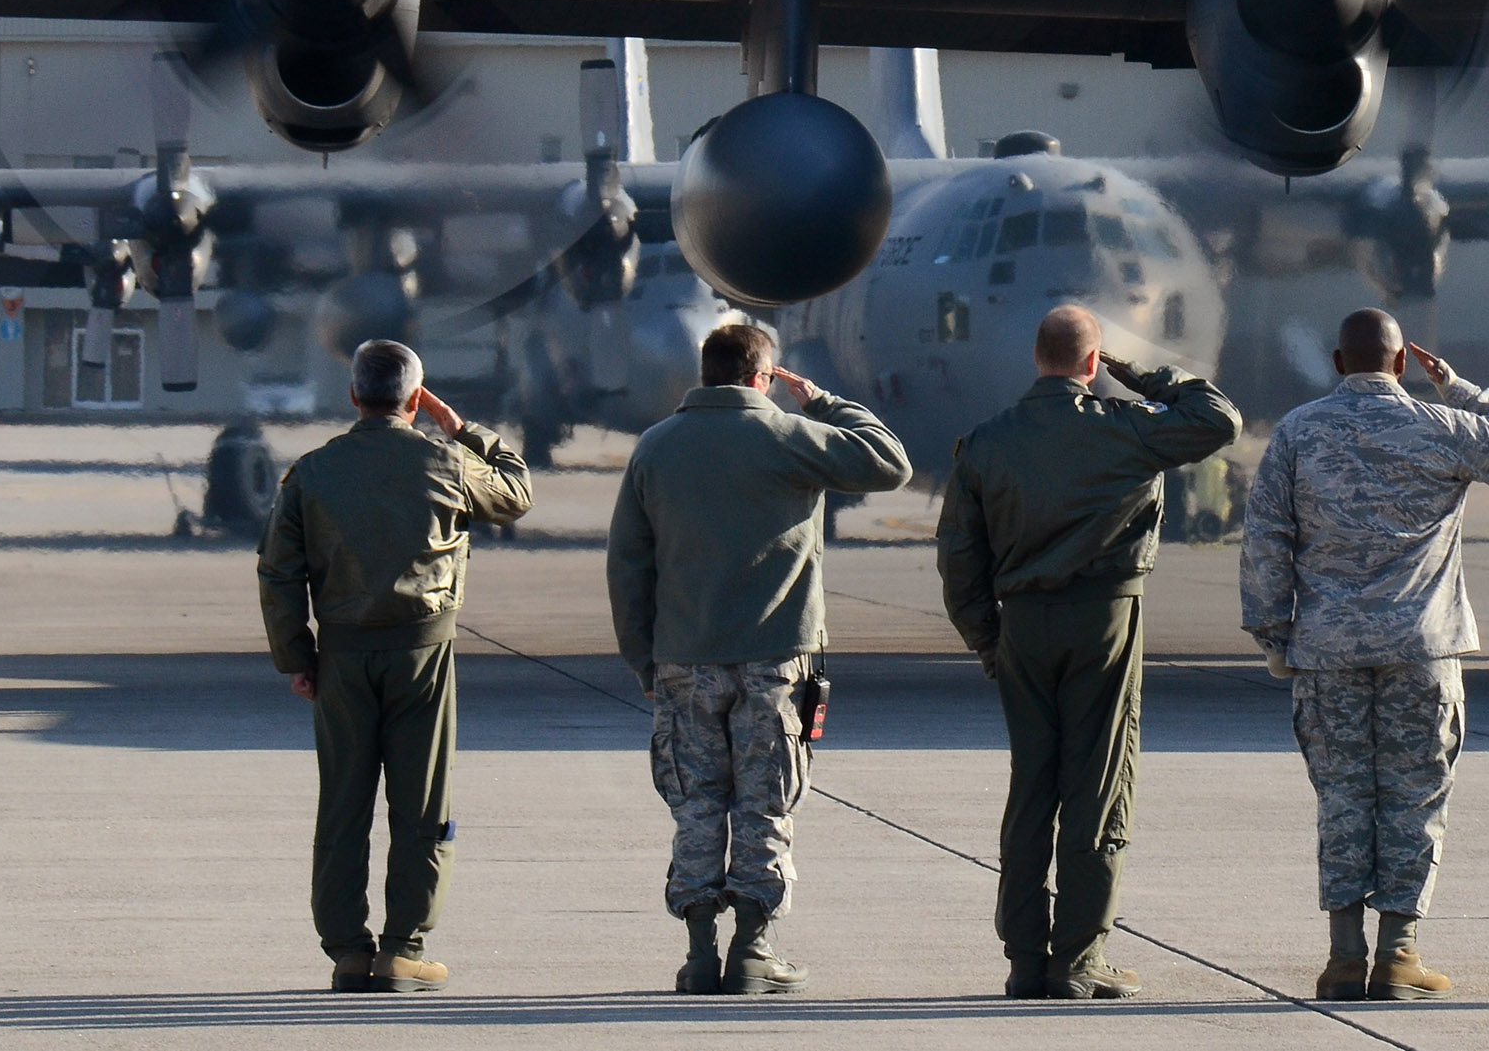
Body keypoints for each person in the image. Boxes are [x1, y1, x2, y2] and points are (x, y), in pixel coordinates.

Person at [1241, 308, 1489, 1002]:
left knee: (1343, 798)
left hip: (1326, 650)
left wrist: (1273, 634)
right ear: (1401, 362)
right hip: (1421, 647)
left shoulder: (1298, 431)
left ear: (1337, 359)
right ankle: (1399, 952)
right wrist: (1461, 388)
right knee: (1415, 797)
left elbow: (1266, 537)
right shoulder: (1440, 427)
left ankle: (1344, 955)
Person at [937, 305, 1240, 1001]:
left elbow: (958, 555)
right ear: (1091, 360)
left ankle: (1023, 954)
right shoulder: (1125, 429)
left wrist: (988, 639)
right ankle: (1077, 955)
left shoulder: (988, 441)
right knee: (1098, 786)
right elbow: (1217, 417)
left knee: (1031, 789)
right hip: (1104, 616)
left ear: (1037, 356)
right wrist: (1143, 374)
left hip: (1022, 622)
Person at [607, 320, 913, 996]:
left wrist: (643, 659)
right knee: (765, 801)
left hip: (685, 658)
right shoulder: (789, 436)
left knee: (696, 803)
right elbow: (889, 459)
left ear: (704, 370)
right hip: (776, 659)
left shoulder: (655, 448)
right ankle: (752, 947)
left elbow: (628, 565)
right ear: (762, 375)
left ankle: (696, 952)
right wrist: (822, 400)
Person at [258, 339, 533, 994]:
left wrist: (297, 656)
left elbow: (278, 571)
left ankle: (348, 950)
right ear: (415, 399)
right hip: (423, 653)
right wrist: (461, 427)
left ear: (353, 396)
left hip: (343, 656)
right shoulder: (448, 461)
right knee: (421, 803)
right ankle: (403, 947)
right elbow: (517, 489)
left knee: (344, 803)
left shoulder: (311, 471)